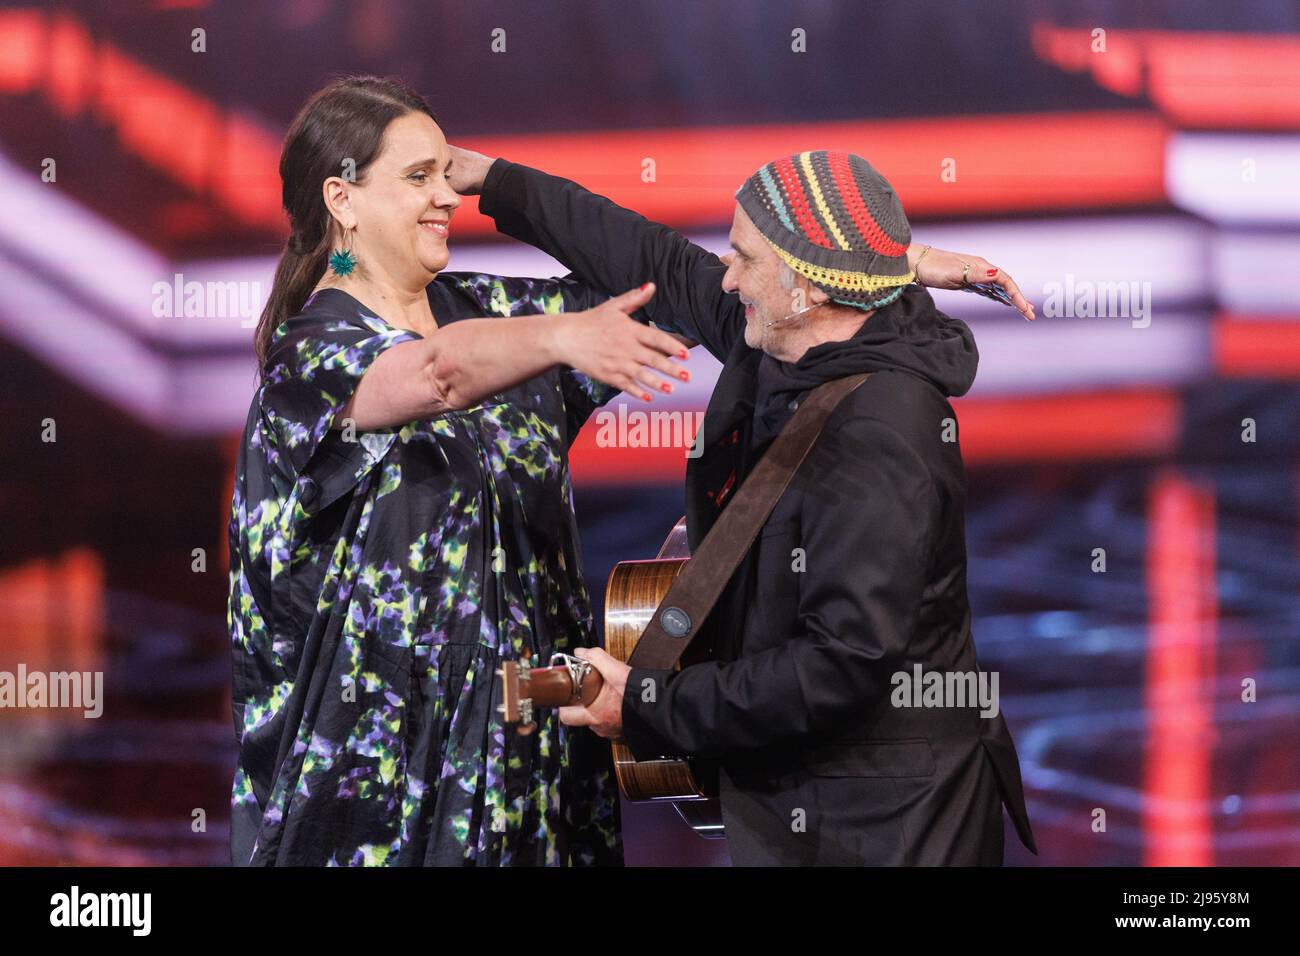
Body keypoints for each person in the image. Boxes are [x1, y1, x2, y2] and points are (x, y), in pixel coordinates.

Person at [449, 146, 1039, 865]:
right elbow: (648, 256)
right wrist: (491, 180)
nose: (724, 279)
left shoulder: (882, 432)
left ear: (812, 287)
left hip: (885, 827)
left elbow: (839, 666)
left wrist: (647, 707)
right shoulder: (786, 338)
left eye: (744, 259)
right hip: (814, 806)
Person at [226, 75, 692, 866]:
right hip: (376, 802)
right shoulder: (309, 355)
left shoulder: (492, 311)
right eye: (418, 178)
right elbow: (433, 375)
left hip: (536, 785)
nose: (445, 197)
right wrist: (561, 338)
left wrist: (506, 184)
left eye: (448, 174)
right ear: (342, 199)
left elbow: (664, 278)